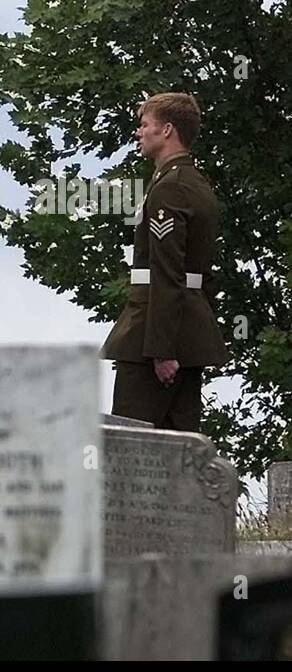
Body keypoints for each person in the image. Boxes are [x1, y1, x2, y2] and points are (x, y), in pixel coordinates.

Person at [101, 92, 228, 431]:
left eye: (145, 125)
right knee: (181, 452)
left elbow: (167, 271)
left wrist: (161, 349)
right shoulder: (196, 185)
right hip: (186, 329)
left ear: (167, 130)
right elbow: (201, 276)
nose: (138, 133)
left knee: (128, 448)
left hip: (153, 335)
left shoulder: (170, 189)